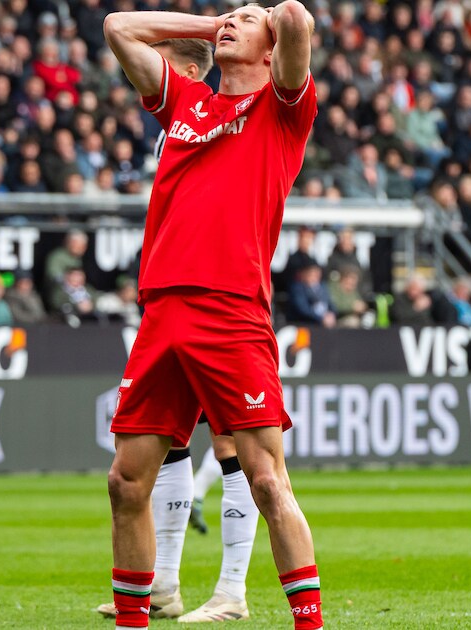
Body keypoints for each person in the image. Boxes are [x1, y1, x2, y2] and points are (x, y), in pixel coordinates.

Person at [104, 4, 322, 630]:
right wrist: (216, 26)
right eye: (229, 17)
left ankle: (307, 622)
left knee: (264, 478)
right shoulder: (186, 104)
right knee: (126, 481)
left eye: (245, 21)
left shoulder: (283, 108)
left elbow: (299, 20)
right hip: (161, 312)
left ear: (269, 46)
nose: (231, 24)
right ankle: (133, 620)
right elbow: (119, 26)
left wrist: (275, 22)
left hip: (231, 311)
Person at [95, 38, 261, 624]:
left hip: (221, 295)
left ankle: (233, 589)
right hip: (171, 294)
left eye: (164, 63)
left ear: (189, 70)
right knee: (162, 439)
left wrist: (221, 26)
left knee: (231, 442)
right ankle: (162, 583)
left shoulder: (228, 113)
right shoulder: (180, 118)